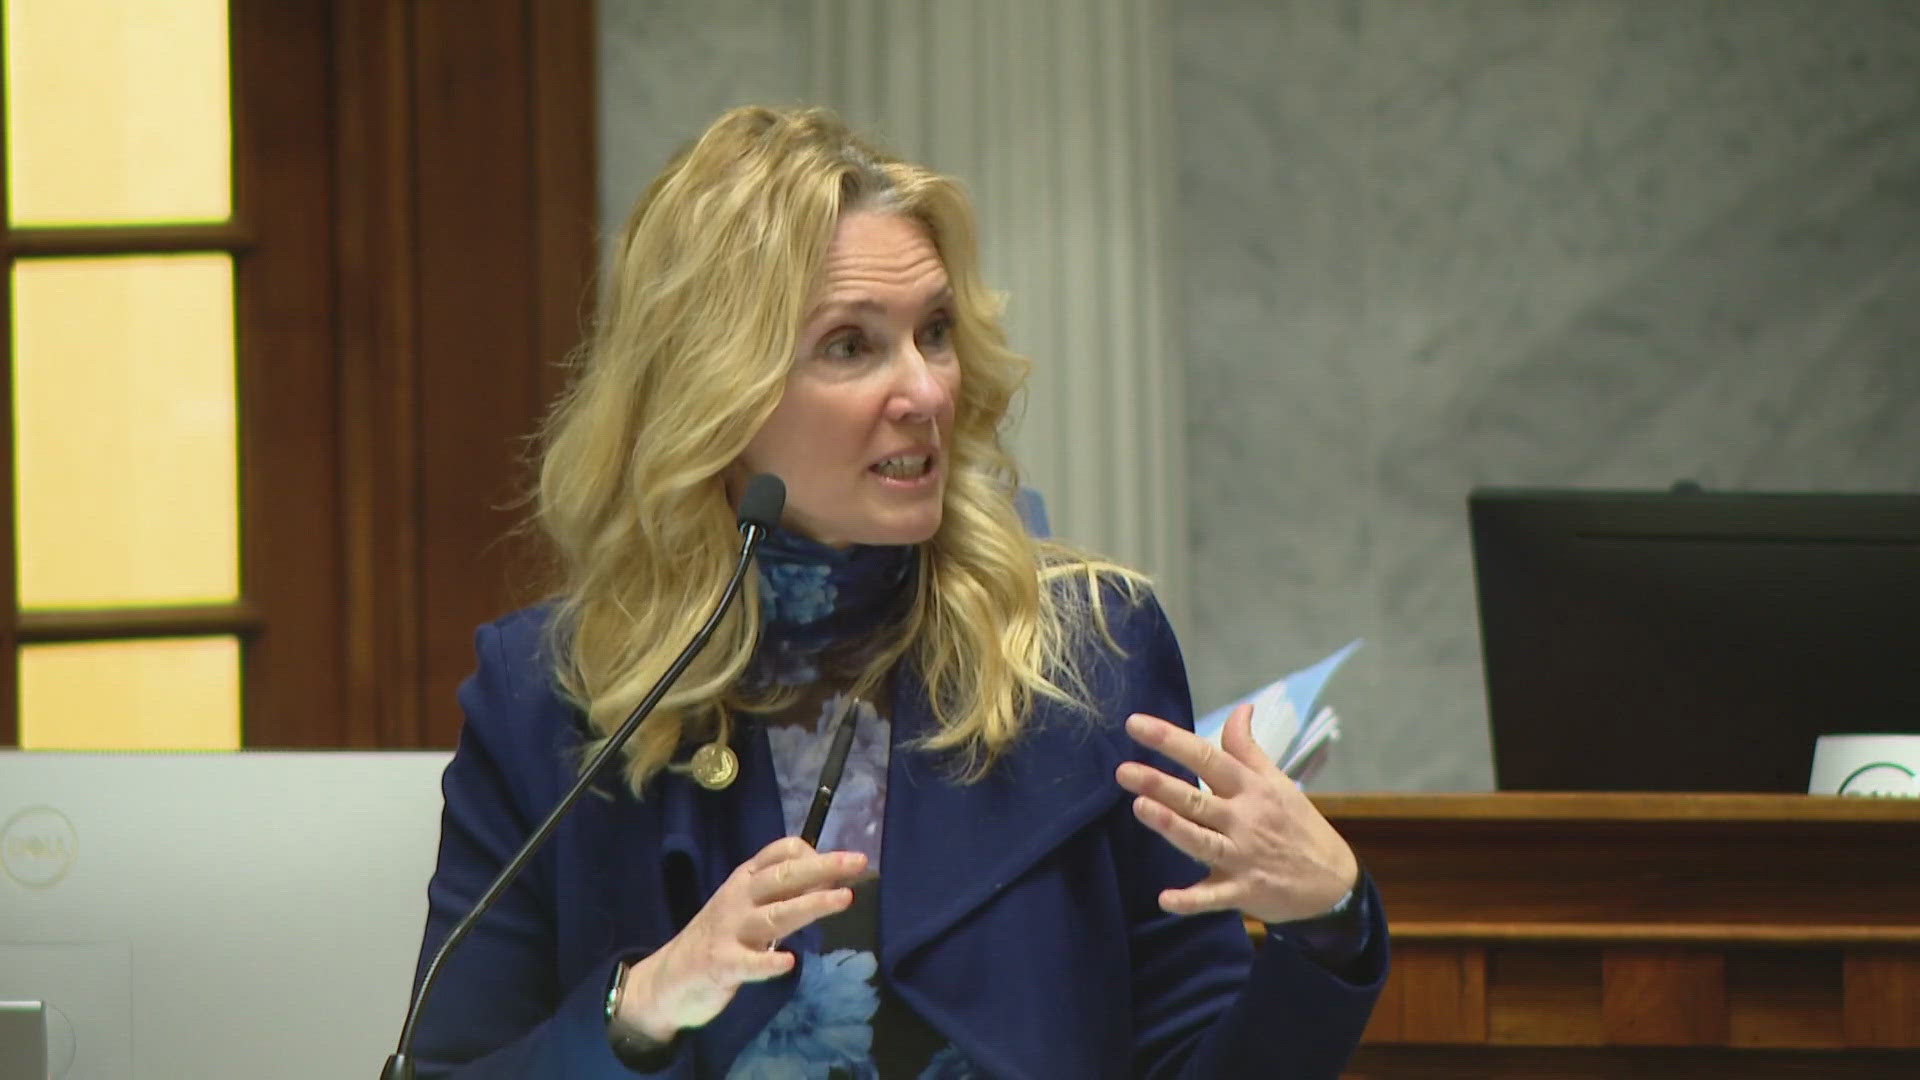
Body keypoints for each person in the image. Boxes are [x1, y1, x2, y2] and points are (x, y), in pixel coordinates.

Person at [408, 105, 1386, 1078]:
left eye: (935, 332)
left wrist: (1330, 924)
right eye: (850, 345)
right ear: (714, 393)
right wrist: (643, 1007)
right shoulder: (552, 695)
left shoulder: (1086, 653)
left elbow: (1190, 1058)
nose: (922, 391)